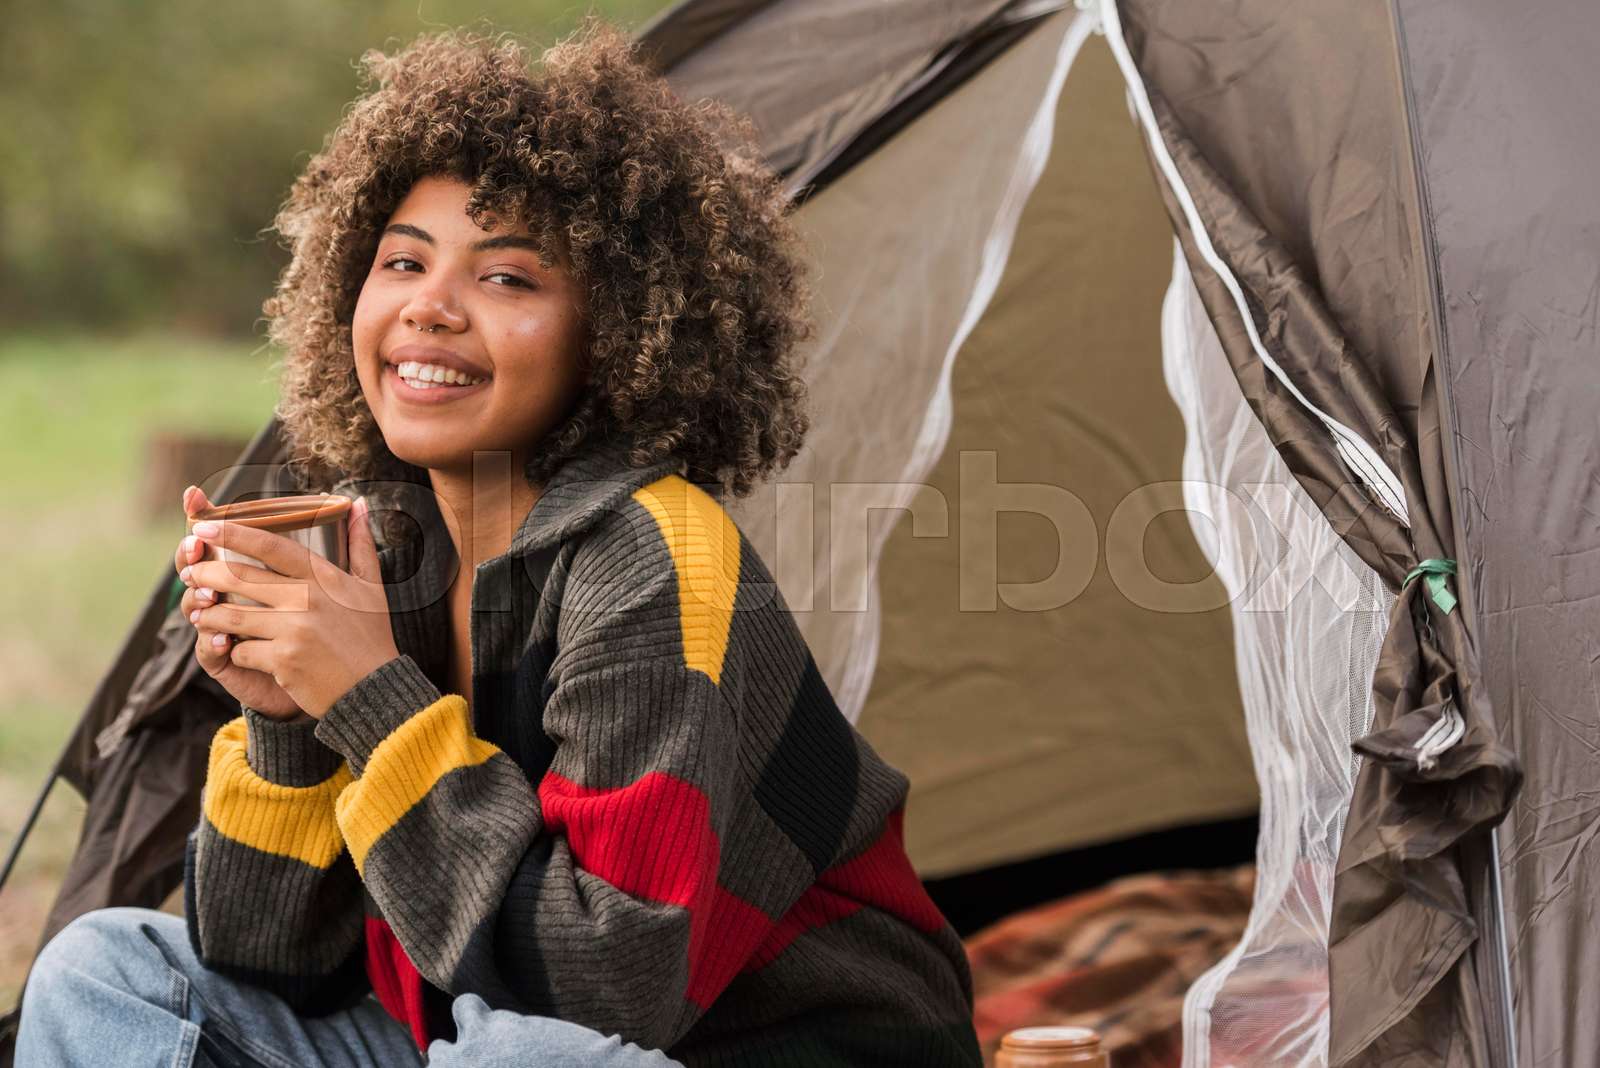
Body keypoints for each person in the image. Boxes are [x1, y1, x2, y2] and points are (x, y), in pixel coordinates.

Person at [15, 18, 982, 1068]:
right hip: (466, 1031)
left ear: (616, 331)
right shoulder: (385, 537)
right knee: (104, 970)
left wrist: (369, 692)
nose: (430, 307)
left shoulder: (658, 556)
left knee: (515, 1059)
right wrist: (289, 717)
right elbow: (270, 963)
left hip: (767, 1049)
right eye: (401, 261)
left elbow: (606, 989)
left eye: (507, 278)